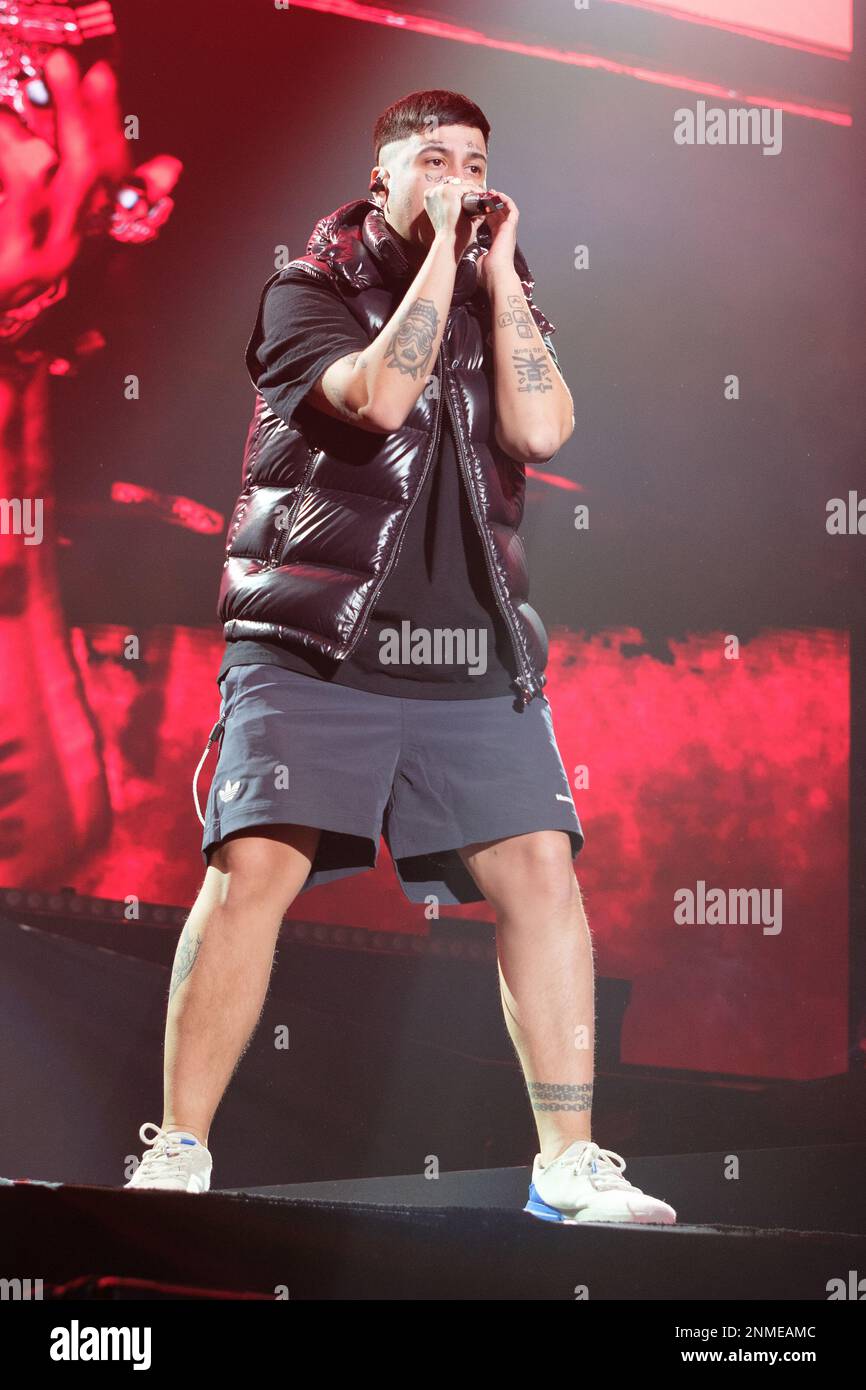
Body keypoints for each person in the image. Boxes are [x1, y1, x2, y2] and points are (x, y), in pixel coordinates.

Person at [125, 89, 676, 1225]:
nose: (459, 179)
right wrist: (439, 271)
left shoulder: (494, 292)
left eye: (474, 160)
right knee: (252, 874)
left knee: (540, 874)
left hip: (471, 652)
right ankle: (178, 1147)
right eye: (433, 158)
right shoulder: (306, 288)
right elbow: (377, 396)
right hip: (315, 644)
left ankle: (565, 1161)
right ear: (380, 177)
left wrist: (502, 274)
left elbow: (542, 432)